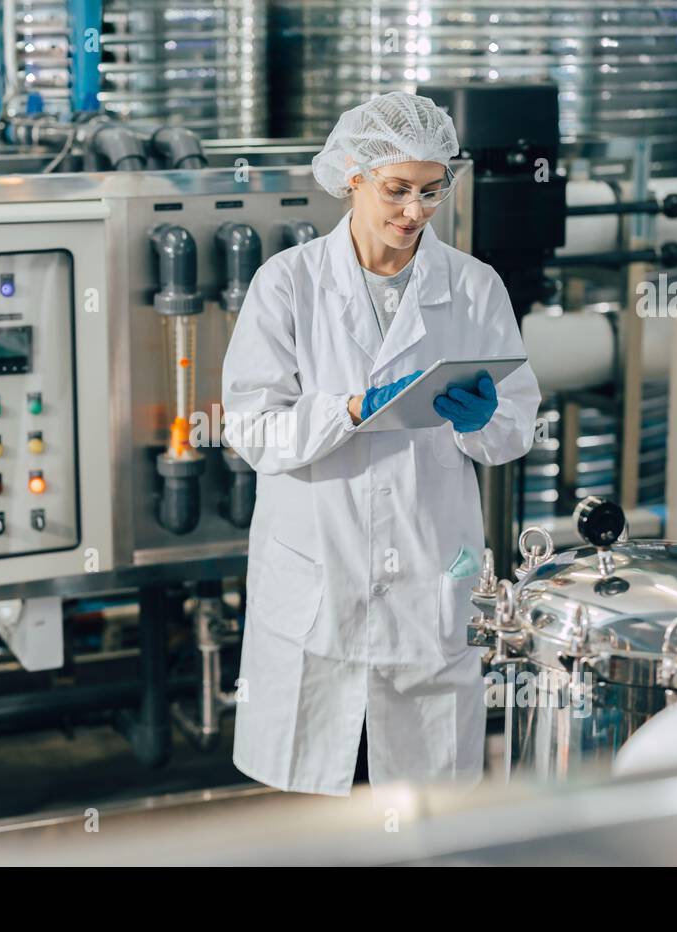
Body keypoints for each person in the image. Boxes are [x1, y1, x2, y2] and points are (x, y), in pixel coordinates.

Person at [221, 91, 541, 795]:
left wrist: (481, 418)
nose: (415, 211)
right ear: (352, 176)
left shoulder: (474, 287)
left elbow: (515, 427)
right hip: (320, 579)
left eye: (432, 192)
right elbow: (251, 428)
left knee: (424, 816)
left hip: (430, 577)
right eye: (397, 190)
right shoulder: (289, 285)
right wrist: (350, 409)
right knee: (316, 811)